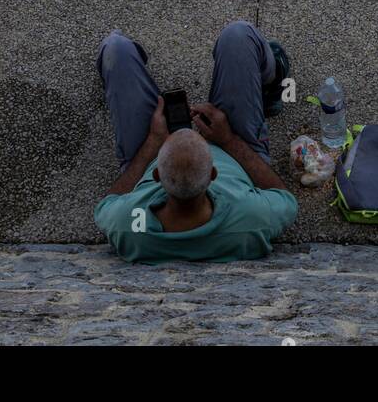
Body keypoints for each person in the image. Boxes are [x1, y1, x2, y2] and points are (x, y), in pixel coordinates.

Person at [93, 20, 297, 264]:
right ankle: (273, 80)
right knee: (238, 35)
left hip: (147, 152)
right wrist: (228, 140)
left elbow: (108, 203)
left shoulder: (129, 224)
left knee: (116, 49)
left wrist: (154, 142)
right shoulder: (250, 217)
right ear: (213, 173)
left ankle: (132, 60)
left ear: (158, 175)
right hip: (235, 152)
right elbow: (284, 197)